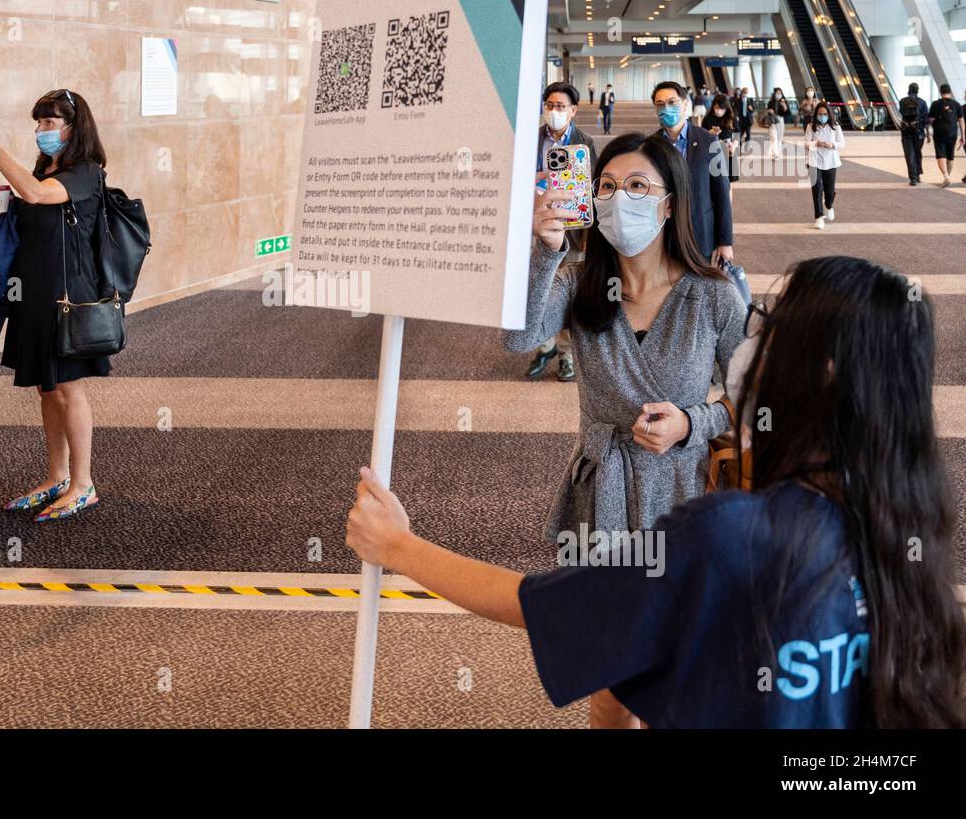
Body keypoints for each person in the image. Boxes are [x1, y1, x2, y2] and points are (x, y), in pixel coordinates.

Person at [349, 254, 966, 728]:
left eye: (775, 325)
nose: (755, 341)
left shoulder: (727, 534)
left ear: (822, 371)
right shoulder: (907, 524)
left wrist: (400, 548)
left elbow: (538, 606)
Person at [505, 134, 747, 725]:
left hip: (686, 495)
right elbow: (519, 338)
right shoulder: (578, 283)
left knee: (679, 666)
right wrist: (545, 250)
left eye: (638, 187)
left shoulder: (712, 296)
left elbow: (755, 400)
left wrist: (693, 422)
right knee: (612, 677)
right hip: (603, 493)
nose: (621, 200)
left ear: (668, 205)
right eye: (607, 187)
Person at [0, 89, 109, 521]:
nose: (41, 132)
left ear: (74, 128)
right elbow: (31, 206)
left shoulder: (85, 173)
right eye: (38, 123)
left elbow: (39, 195)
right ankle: (57, 475)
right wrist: (1, 210)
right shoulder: (44, 167)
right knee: (46, 385)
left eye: (50, 123)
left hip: (67, 296)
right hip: (33, 291)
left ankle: (84, 483)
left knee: (69, 388)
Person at [526, 82, 598, 383]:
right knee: (538, 287)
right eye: (549, 105)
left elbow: (592, 187)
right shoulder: (530, 139)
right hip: (538, 227)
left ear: (573, 111)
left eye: (560, 106)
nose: (554, 111)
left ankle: (566, 354)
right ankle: (544, 347)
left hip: (574, 229)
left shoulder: (584, 142)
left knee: (570, 292)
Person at [651, 81, 734, 265]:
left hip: (700, 234)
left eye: (672, 102)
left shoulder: (709, 141)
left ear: (685, 104)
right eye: (660, 104)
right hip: (663, 237)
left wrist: (725, 242)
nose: (666, 108)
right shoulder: (650, 146)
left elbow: (721, 193)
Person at [804, 101, 844, 229]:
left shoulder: (835, 127)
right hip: (814, 161)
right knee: (817, 189)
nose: (822, 116)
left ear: (829, 114)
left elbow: (842, 143)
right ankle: (819, 217)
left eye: (825, 114)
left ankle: (829, 205)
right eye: (820, 114)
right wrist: (815, 143)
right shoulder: (811, 126)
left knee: (829, 191)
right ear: (816, 114)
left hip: (831, 161)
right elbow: (806, 142)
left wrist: (832, 145)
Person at [927, 82, 965, 186]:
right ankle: (948, 176)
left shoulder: (935, 104)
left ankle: (946, 176)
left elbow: (930, 119)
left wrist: (929, 130)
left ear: (940, 92)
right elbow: (961, 121)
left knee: (940, 155)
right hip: (952, 134)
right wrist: (963, 136)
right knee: (950, 156)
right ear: (950, 92)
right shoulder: (956, 104)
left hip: (939, 133)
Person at [703, 93, 738, 185]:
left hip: (729, 150)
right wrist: (709, 133)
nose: (718, 111)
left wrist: (734, 145)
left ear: (726, 108)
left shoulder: (731, 118)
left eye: (721, 108)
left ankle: (728, 200)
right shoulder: (707, 119)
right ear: (713, 106)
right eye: (716, 107)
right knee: (714, 182)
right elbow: (701, 135)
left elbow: (737, 134)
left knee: (728, 184)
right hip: (712, 150)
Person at [898, 82, 929, 186]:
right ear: (917, 91)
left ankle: (913, 178)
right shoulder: (922, 102)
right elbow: (926, 120)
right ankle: (918, 175)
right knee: (917, 153)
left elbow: (901, 113)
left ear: (909, 90)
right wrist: (928, 134)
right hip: (919, 132)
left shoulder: (902, 101)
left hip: (906, 131)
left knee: (909, 154)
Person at [768, 87, 789, 159]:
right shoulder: (771, 102)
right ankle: (775, 153)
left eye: (780, 93)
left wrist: (784, 105)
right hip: (772, 120)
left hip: (780, 120)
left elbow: (787, 113)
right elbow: (768, 110)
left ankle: (777, 153)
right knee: (773, 137)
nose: (779, 94)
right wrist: (769, 110)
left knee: (779, 137)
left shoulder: (784, 101)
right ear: (774, 94)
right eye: (777, 93)